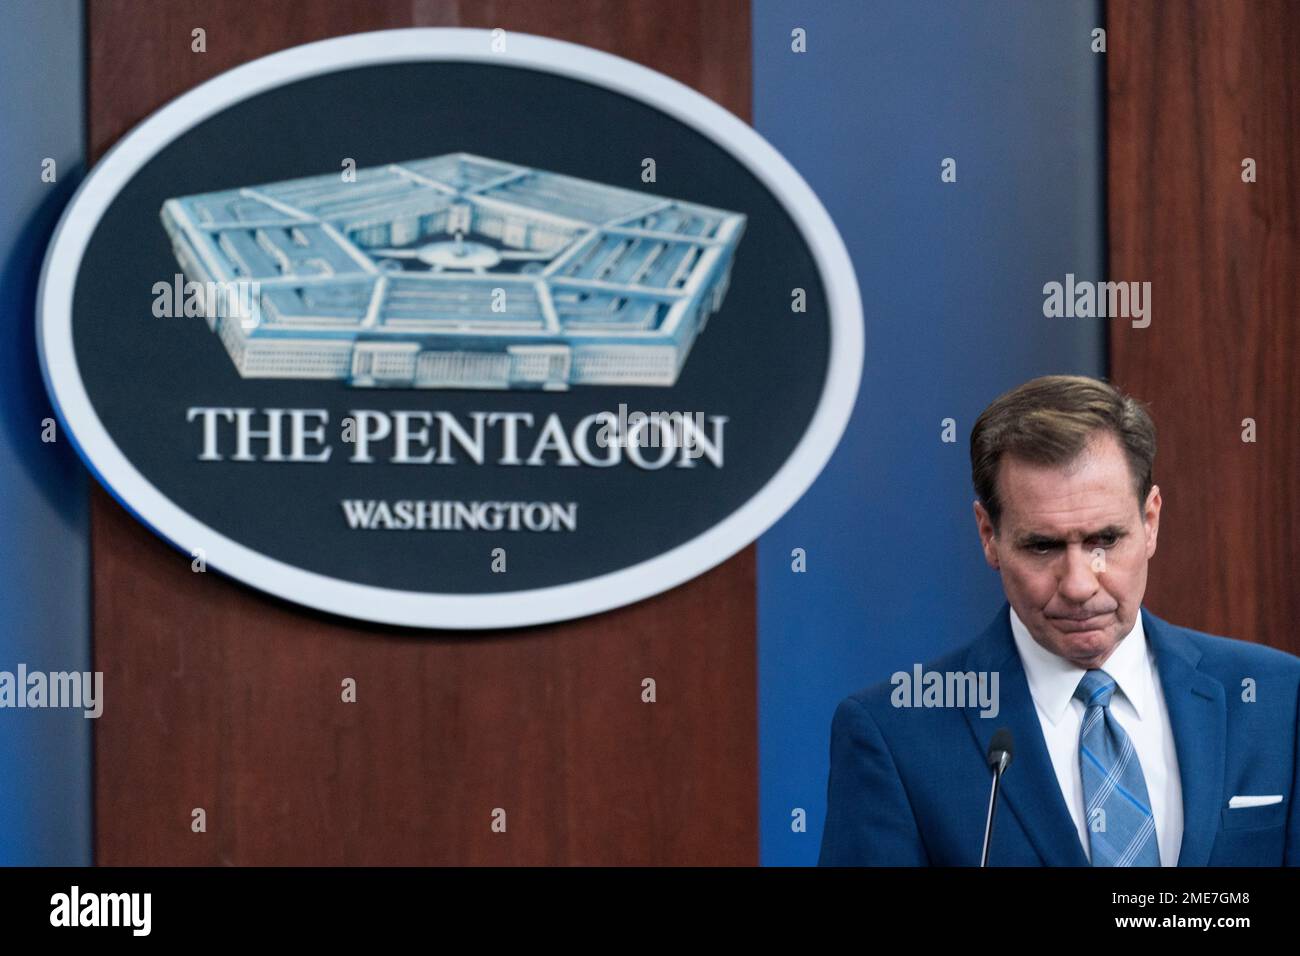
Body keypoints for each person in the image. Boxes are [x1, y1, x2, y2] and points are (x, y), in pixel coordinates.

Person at [819, 375, 1299, 866]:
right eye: (1042, 546)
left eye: (1105, 540)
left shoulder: (1278, 699)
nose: (1078, 584)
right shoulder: (897, 735)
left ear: (1150, 522)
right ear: (989, 536)